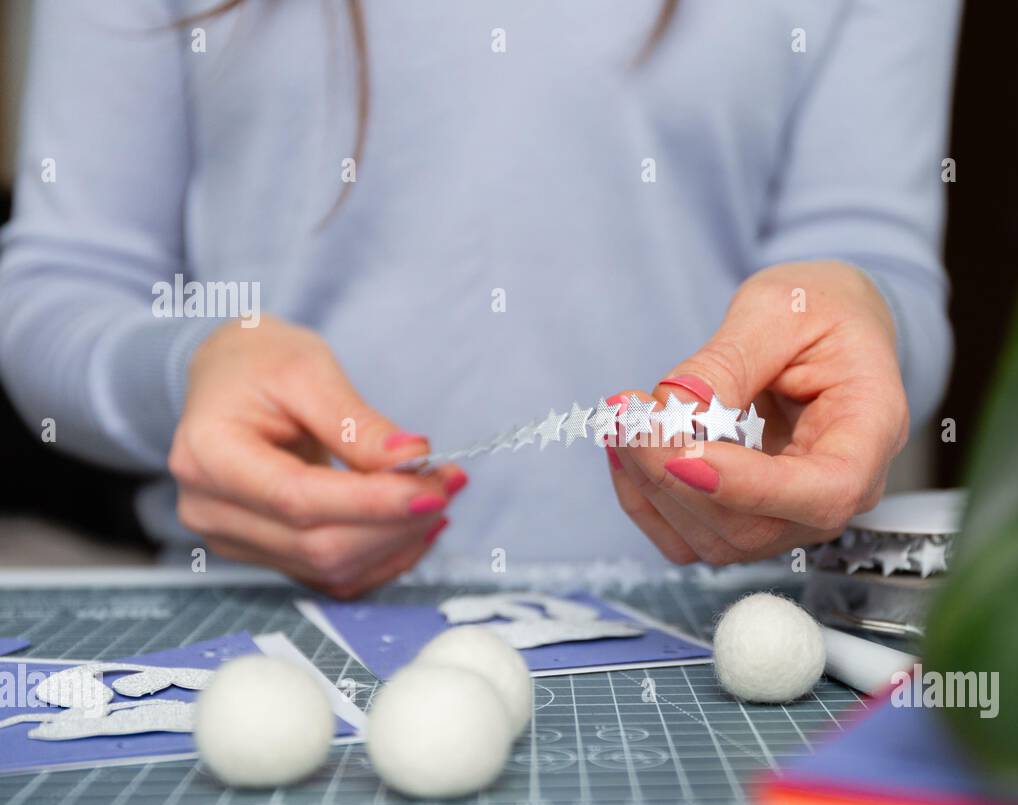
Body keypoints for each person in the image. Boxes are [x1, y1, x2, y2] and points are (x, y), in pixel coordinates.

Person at [0, 0, 960, 596]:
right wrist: (188, 370)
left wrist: (856, 316)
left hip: (717, 643)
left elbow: (877, 270)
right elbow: (58, 289)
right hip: (263, 626)